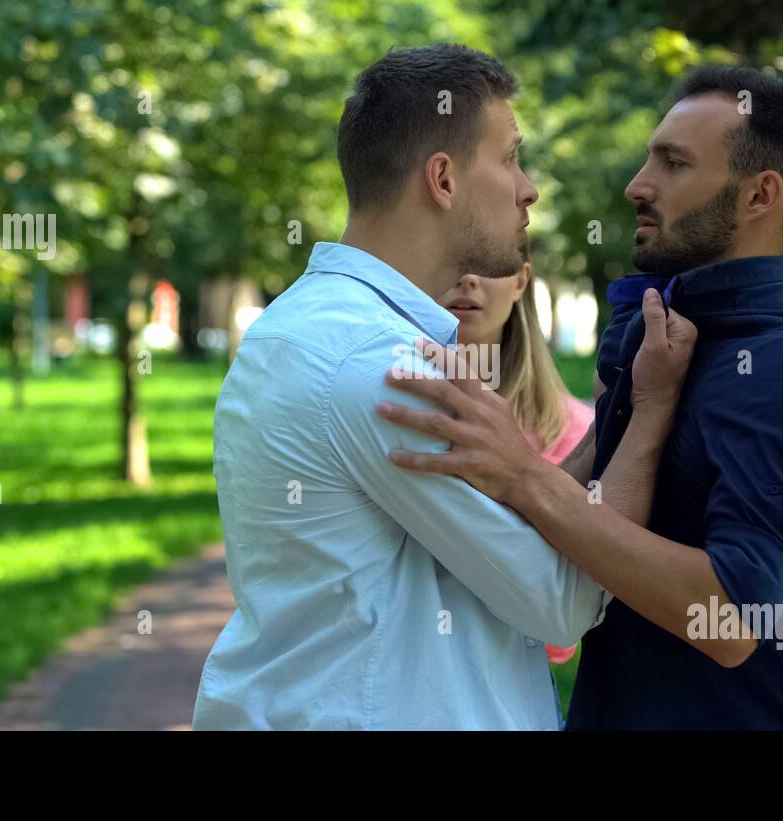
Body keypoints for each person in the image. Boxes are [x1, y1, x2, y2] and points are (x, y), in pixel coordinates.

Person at [192, 44, 694, 730]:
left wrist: (598, 420)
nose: (528, 189)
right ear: (443, 179)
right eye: (510, 158)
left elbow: (519, 525)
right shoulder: (379, 365)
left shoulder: (312, 327)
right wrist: (648, 412)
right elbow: (563, 600)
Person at [379, 65, 783, 730]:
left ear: (760, 195)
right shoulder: (655, 328)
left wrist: (526, 475)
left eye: (673, 164)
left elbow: (732, 619)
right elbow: (591, 514)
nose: (637, 185)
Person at [437, 240, 592, 664]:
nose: (468, 278)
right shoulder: (385, 401)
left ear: (521, 280)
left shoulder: (573, 430)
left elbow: (560, 632)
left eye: (487, 262)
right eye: (453, 256)